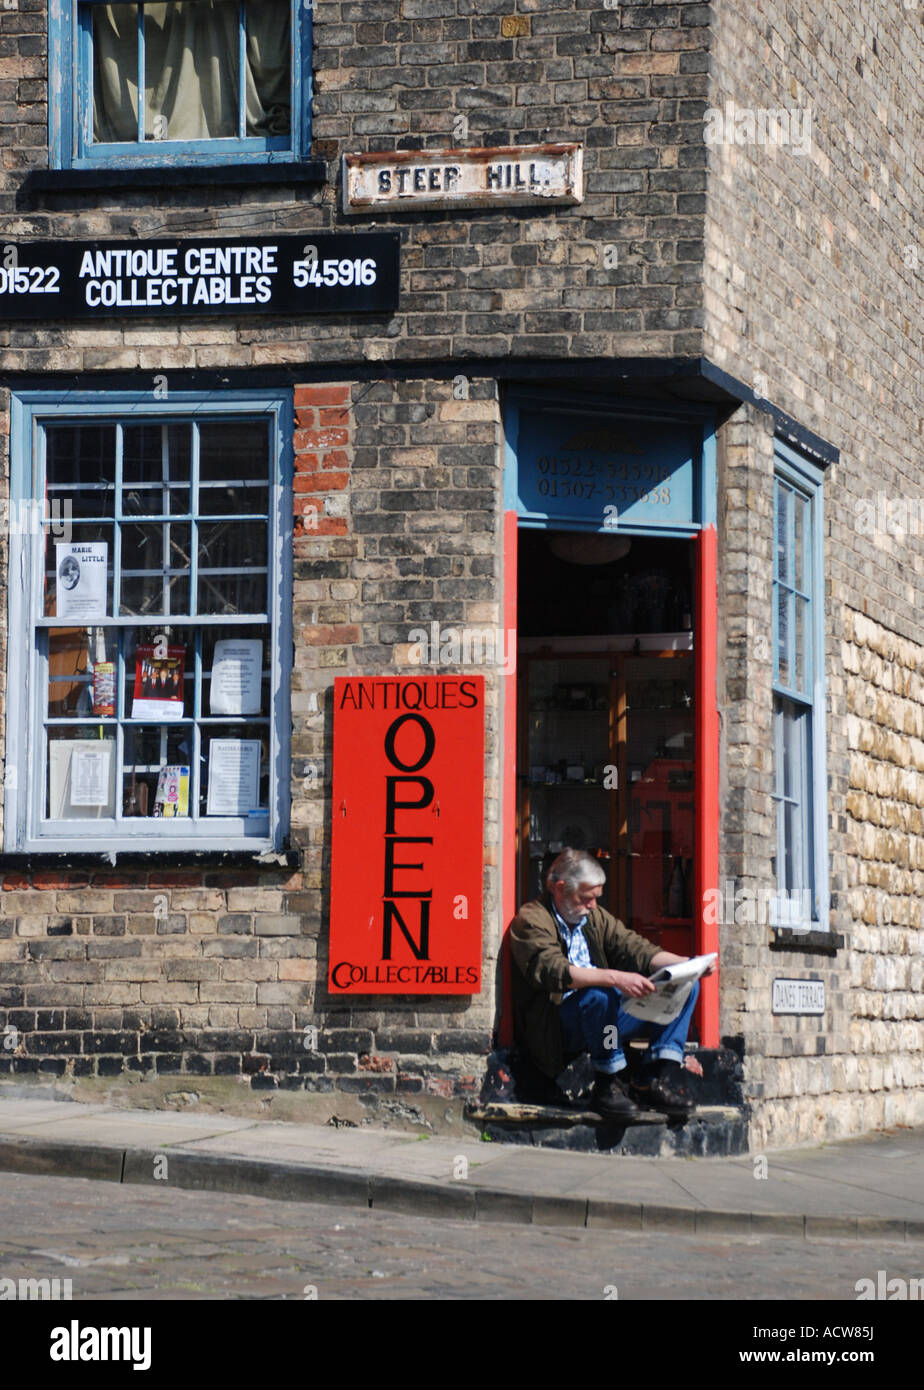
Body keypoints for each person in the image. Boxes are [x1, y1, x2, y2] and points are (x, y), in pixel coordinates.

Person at [508, 847, 714, 1121]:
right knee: (599, 994)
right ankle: (609, 1081)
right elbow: (552, 970)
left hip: (605, 1021)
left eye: (596, 898)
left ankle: (653, 1079)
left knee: (687, 987)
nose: (593, 905)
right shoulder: (531, 920)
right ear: (560, 889)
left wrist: (688, 964)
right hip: (559, 1024)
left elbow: (634, 948)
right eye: (587, 898)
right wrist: (615, 978)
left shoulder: (592, 917)